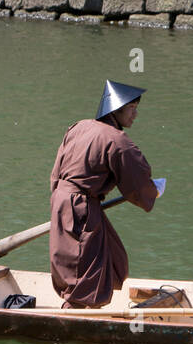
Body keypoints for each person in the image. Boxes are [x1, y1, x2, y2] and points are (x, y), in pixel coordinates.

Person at [49, 80, 160, 308]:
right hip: (80, 206)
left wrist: (61, 203)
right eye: (132, 108)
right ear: (116, 109)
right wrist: (153, 191)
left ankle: (80, 307)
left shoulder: (78, 127)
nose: (136, 114)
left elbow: (57, 171)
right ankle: (76, 314)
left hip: (63, 200)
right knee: (85, 265)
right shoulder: (116, 140)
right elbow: (137, 181)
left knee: (105, 254)